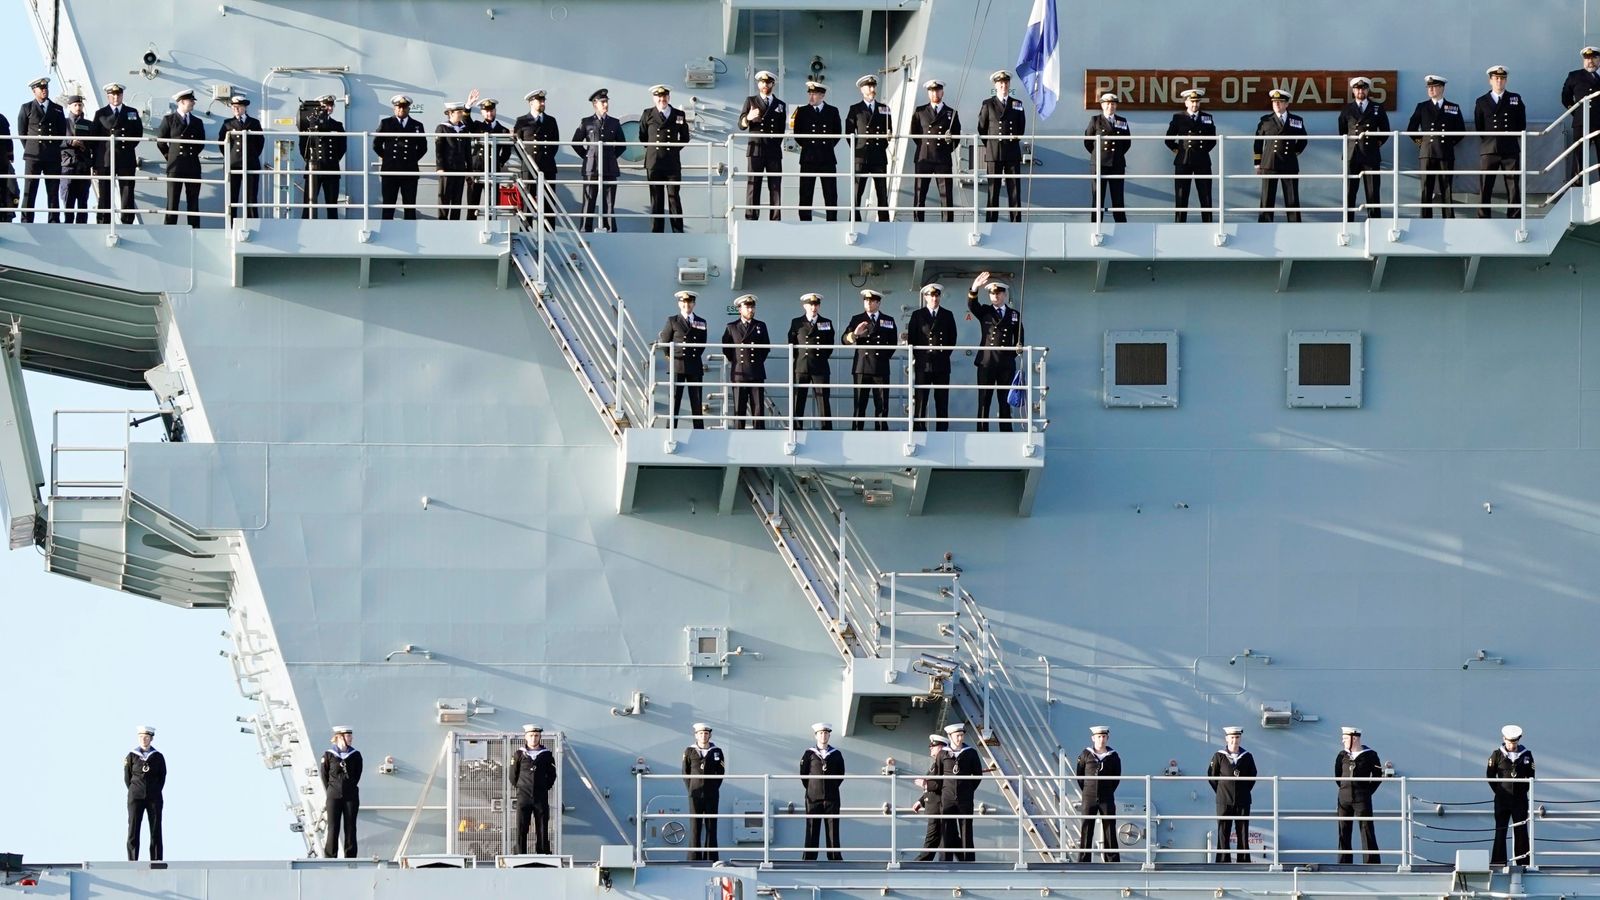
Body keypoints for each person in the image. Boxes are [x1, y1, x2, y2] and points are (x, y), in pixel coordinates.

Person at [966, 272, 1024, 432]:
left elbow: (1019, 338)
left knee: (1004, 400)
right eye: (992, 293)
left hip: (1006, 363)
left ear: (1004, 295)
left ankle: (1006, 430)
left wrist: (1012, 354)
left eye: (998, 293)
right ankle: (982, 431)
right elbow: (972, 306)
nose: (995, 296)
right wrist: (974, 288)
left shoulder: (1014, 315)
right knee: (984, 399)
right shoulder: (985, 311)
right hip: (986, 362)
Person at [1407, 76, 1465, 219]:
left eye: (1434, 86)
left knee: (1446, 187)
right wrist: (1423, 144)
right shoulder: (1422, 107)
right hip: (1427, 152)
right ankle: (1425, 219)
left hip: (1445, 152)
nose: (1431, 89)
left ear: (1442, 88)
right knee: (1426, 188)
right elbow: (1411, 129)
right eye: (1429, 87)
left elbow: (1461, 131)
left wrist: (1449, 144)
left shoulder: (1453, 107)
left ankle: (1449, 218)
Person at [905, 283, 957, 431]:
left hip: (942, 363)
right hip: (923, 363)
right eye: (931, 295)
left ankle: (942, 429)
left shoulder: (947, 315)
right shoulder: (918, 315)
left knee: (942, 399)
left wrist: (942, 355)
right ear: (925, 297)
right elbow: (912, 339)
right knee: (921, 398)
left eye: (937, 295)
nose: (934, 298)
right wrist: (921, 357)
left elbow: (952, 339)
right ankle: (919, 428)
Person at [1475, 66, 1526, 219]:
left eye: (1502, 78)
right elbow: (1480, 126)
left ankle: (1514, 216)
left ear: (1506, 80)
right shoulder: (1482, 101)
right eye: (1496, 78)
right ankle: (1483, 216)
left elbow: (1521, 123)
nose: (1499, 81)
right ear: (1490, 80)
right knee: (1485, 185)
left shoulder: (1515, 98)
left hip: (1510, 148)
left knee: (1513, 185)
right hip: (1489, 148)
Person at [843, 288, 896, 430]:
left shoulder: (888, 320)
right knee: (860, 404)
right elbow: (844, 340)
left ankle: (881, 432)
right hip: (862, 367)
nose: (868, 303)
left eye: (871, 301)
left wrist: (883, 358)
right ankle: (857, 431)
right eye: (866, 300)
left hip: (881, 367)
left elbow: (892, 344)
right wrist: (855, 334)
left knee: (882, 405)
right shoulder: (857, 319)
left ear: (878, 303)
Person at [572, 88, 624, 233]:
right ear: (595, 103)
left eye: (606, 101)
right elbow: (575, 141)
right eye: (602, 102)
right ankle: (585, 229)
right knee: (589, 200)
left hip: (609, 166)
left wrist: (612, 156)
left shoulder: (614, 123)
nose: (605, 104)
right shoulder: (586, 122)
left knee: (608, 202)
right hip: (591, 167)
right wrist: (587, 156)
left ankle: (610, 229)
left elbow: (622, 144)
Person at [977, 70, 1026, 223]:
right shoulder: (988, 104)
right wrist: (991, 144)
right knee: (993, 189)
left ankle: (1016, 221)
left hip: (1011, 151)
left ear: (1009, 85)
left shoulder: (1017, 104)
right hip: (994, 152)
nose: (1004, 85)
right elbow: (982, 128)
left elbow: (1021, 128)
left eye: (1006, 83)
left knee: (1014, 190)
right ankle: (991, 221)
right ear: (996, 85)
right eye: (1001, 83)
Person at [1337, 77, 1390, 219]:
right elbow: (1342, 130)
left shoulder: (1377, 108)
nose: (1361, 91)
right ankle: (1348, 222)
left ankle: (1375, 222)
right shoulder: (1347, 109)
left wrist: (1376, 143)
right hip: (1352, 155)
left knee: (1373, 192)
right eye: (1358, 88)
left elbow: (1385, 130)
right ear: (1353, 91)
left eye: (1363, 88)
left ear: (1367, 90)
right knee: (1349, 192)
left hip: (1370, 155)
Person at [640, 85, 689, 233]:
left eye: (664, 96)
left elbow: (685, 137)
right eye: (659, 97)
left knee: (674, 197)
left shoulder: (679, 114)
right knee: (656, 199)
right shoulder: (647, 114)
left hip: (672, 163)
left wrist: (672, 150)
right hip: (654, 163)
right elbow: (643, 137)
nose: (662, 99)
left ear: (669, 97)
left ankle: (678, 230)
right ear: (654, 98)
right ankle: (657, 231)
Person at [738, 71, 786, 221]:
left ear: (773, 84)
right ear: (758, 84)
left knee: (775, 186)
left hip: (773, 150)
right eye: (762, 82)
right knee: (753, 185)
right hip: (756, 149)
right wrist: (748, 118)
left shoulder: (780, 105)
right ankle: (751, 217)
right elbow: (740, 125)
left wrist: (773, 144)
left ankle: (775, 218)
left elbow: (780, 130)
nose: (765, 85)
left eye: (768, 82)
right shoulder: (751, 101)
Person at [910, 80, 960, 222]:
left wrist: (947, 146)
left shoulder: (951, 113)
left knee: (946, 195)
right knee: (920, 194)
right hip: (923, 158)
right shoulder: (920, 111)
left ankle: (948, 224)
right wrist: (925, 147)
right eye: (932, 91)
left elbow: (956, 137)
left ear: (942, 92)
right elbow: (914, 133)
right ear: (928, 93)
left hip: (942, 158)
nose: (935, 93)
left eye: (937, 90)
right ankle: (918, 223)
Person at [17, 76, 65, 223]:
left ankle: (54, 220)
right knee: (30, 190)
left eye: (46, 88)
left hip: (52, 155)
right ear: (34, 91)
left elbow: (61, 132)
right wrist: (31, 147)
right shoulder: (27, 108)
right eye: (41, 88)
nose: (44, 90)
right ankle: (26, 219)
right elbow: (22, 131)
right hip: (33, 155)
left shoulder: (57, 109)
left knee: (53, 190)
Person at [1255, 89, 1308, 222]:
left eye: (1280, 102)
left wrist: (1293, 152)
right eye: (1274, 102)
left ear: (1286, 104)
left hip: (1289, 163)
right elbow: (1258, 142)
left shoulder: (1296, 120)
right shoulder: (1265, 120)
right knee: (1267, 198)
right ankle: (1264, 225)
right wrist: (1257, 163)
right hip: (1269, 163)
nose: (1277, 104)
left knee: (1292, 198)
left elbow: (1303, 140)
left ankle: (1295, 225)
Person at [845, 75, 892, 222]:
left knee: (882, 192)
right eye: (868, 86)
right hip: (861, 155)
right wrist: (858, 148)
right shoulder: (855, 109)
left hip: (878, 155)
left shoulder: (884, 108)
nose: (872, 89)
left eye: (873, 86)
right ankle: (854, 221)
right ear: (862, 89)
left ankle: (884, 221)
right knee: (857, 192)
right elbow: (849, 133)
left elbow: (888, 131)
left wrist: (881, 146)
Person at [92, 83, 141, 224]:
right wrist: (95, 160)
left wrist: (127, 146)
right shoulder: (101, 113)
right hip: (106, 158)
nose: (116, 97)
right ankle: (104, 220)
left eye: (118, 94)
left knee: (127, 190)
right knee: (105, 191)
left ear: (122, 95)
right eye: (113, 94)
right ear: (108, 96)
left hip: (126, 157)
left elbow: (138, 133)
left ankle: (127, 220)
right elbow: (94, 137)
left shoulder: (131, 112)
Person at [792, 81, 841, 222]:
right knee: (806, 192)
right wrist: (809, 147)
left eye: (814, 94)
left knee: (831, 193)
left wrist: (826, 147)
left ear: (822, 95)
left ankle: (832, 221)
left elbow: (837, 133)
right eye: (810, 93)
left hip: (827, 158)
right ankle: (805, 221)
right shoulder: (802, 111)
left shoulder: (832, 111)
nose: (811, 97)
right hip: (809, 157)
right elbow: (797, 134)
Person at [1166, 88, 1216, 222]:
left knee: (1205, 194)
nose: (1194, 105)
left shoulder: (1207, 117)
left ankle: (1208, 223)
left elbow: (1212, 139)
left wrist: (1203, 150)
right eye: (1192, 102)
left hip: (1202, 160)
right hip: (1184, 160)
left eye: (1197, 102)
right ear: (1186, 103)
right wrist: (1178, 150)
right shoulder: (1178, 117)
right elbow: (1168, 138)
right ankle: (1180, 224)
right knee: (1181, 194)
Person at [1487, 724, 1535, 867]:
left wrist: (1521, 791)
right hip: (1502, 799)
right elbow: (1490, 775)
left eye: (1514, 742)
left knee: (1521, 832)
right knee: (1500, 831)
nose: (1511, 745)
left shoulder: (1526, 755)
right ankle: (1498, 863)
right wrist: (1499, 791)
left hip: (1519, 799)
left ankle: (1523, 863)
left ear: (1518, 740)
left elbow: (1531, 776)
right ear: (1504, 739)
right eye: (1509, 742)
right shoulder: (1497, 755)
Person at [157, 89, 206, 227]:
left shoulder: (197, 122)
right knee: (172, 201)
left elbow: (200, 143)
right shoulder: (169, 120)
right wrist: (170, 156)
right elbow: (160, 142)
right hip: (175, 166)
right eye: (191, 101)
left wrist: (190, 155)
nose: (193, 104)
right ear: (182, 102)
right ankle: (170, 230)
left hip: (192, 165)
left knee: (193, 201)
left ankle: (195, 229)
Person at [1207, 725, 1256, 863]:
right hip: (1223, 799)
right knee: (1223, 830)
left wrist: (1244, 790)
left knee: (1242, 830)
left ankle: (1244, 860)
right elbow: (1212, 776)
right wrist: (1221, 790)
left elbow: (1252, 776)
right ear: (1227, 738)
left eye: (1237, 737)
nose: (1235, 740)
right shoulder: (1219, 756)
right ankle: (1223, 860)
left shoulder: (1247, 756)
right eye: (1232, 737)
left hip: (1243, 799)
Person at [1334, 726, 1382, 865]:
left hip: (1362, 797)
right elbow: (1338, 776)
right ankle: (1344, 863)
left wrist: (1367, 791)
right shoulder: (1342, 755)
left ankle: (1371, 863)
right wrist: (1345, 789)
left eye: (1345, 738)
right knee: (1343, 830)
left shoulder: (1371, 755)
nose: (1343, 741)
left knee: (1366, 828)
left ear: (1354, 738)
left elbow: (1378, 776)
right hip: (1344, 798)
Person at [659, 290, 708, 428]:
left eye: (690, 302)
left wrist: (693, 355)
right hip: (678, 364)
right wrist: (671, 355)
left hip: (694, 364)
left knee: (696, 400)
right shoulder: (672, 320)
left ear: (694, 304)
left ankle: (699, 429)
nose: (687, 305)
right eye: (684, 302)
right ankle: (671, 428)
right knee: (675, 399)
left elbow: (702, 343)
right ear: (679, 304)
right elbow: (665, 340)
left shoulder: (701, 322)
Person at [374, 94, 427, 220]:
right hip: (390, 170)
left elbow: (423, 147)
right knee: (388, 205)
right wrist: (387, 158)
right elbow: (376, 144)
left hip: (409, 171)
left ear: (409, 109)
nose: (401, 110)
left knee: (409, 205)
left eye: (404, 107)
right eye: (398, 107)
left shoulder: (417, 125)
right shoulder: (386, 123)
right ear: (394, 108)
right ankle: (386, 232)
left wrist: (412, 159)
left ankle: (409, 233)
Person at [722, 294, 770, 429]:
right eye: (747, 307)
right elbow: (726, 349)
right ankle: (738, 432)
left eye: (752, 307)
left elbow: (766, 347)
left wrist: (756, 362)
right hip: (739, 372)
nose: (751, 310)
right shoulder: (731, 327)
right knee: (739, 407)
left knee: (758, 407)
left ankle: (759, 432)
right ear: (739, 309)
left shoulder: (760, 326)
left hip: (756, 371)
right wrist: (738, 362)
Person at [788, 292, 834, 429]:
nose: (813, 307)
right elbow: (791, 343)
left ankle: (826, 429)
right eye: (810, 305)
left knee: (823, 399)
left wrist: (819, 357)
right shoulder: (797, 322)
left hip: (820, 366)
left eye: (816, 304)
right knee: (798, 399)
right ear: (805, 306)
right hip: (801, 366)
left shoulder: (826, 323)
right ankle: (796, 428)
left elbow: (829, 345)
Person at [1076, 725, 1121, 862]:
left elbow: (1116, 777)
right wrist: (1088, 790)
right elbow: (1080, 775)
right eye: (1099, 737)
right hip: (1089, 796)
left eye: (1104, 737)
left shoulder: (1113, 756)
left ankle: (1112, 859)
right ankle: (1084, 860)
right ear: (1093, 738)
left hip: (1106, 796)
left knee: (1109, 826)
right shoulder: (1086, 754)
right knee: (1086, 826)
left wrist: (1107, 790)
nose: (1101, 740)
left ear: (1107, 738)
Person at [801, 722, 845, 861]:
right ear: (816, 735)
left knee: (833, 828)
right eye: (820, 733)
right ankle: (809, 858)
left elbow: (840, 774)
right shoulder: (809, 754)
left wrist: (830, 787)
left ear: (829, 735)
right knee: (812, 827)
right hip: (813, 797)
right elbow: (803, 775)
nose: (823, 736)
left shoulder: (836, 754)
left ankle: (834, 857)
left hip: (831, 797)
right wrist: (814, 788)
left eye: (826, 733)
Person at [510, 724, 557, 855]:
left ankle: (543, 853)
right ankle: (520, 854)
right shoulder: (519, 754)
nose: (534, 738)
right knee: (521, 826)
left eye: (536, 736)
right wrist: (521, 787)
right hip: (523, 796)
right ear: (526, 737)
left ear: (540, 737)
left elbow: (552, 774)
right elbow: (513, 775)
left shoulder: (546, 754)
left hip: (540, 796)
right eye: (531, 735)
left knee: (542, 826)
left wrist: (543, 787)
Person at [1084, 92, 1131, 223]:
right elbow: (1088, 141)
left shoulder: (1122, 121)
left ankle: (1122, 225)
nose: (1110, 106)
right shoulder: (1095, 120)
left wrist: (1117, 155)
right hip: (1099, 164)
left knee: (1118, 198)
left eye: (1113, 104)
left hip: (1117, 163)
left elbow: (1127, 142)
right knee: (1098, 197)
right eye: (1108, 104)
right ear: (1102, 105)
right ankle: (1096, 225)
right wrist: (1099, 155)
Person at [513, 89, 560, 218]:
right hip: (529, 167)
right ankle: (527, 232)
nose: (542, 103)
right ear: (531, 103)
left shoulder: (551, 121)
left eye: (543, 100)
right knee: (528, 201)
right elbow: (517, 144)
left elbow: (555, 143)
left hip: (548, 166)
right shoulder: (522, 121)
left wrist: (546, 157)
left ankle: (548, 233)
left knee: (548, 203)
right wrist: (527, 160)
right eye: (539, 101)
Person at [682, 722, 725, 862]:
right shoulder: (689, 751)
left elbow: (720, 772)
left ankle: (711, 858)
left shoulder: (717, 751)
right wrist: (691, 788)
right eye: (701, 733)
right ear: (696, 735)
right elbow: (685, 772)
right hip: (695, 793)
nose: (703, 736)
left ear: (709, 735)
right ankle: (693, 858)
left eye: (706, 733)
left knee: (711, 825)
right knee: (695, 825)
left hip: (712, 793)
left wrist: (713, 787)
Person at [217, 94, 263, 222]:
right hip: (233, 164)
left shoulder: (254, 123)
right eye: (234, 107)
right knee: (232, 197)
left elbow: (260, 142)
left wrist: (251, 156)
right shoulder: (227, 123)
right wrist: (231, 157)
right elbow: (222, 143)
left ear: (244, 108)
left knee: (251, 197)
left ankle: (252, 223)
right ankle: (231, 225)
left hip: (250, 163)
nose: (236, 109)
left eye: (238, 107)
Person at [940, 722, 981, 861]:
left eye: (962, 735)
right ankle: (945, 860)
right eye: (957, 736)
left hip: (965, 798)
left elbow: (977, 775)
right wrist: (945, 791)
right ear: (950, 736)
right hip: (947, 797)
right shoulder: (943, 754)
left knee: (966, 829)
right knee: (947, 830)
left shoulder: (970, 753)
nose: (960, 739)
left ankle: (967, 861)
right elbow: (938, 776)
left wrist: (968, 789)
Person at [125, 725, 167, 861]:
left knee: (155, 830)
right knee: (133, 829)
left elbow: (162, 777)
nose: (144, 740)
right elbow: (127, 777)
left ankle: (156, 861)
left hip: (153, 798)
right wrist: (135, 790)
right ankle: (132, 861)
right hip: (135, 797)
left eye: (147, 737)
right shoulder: (131, 756)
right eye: (141, 737)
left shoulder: (158, 757)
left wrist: (154, 790)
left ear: (151, 739)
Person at [300, 95, 346, 219]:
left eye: (331, 105)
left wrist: (332, 160)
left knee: (332, 203)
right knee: (309, 203)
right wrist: (311, 160)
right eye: (326, 105)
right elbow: (303, 146)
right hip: (313, 168)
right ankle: (307, 226)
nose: (328, 108)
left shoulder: (337, 126)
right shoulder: (309, 124)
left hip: (331, 168)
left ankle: (333, 229)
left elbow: (342, 148)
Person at [466, 97, 511, 221]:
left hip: (493, 171)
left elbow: (506, 151)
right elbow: (466, 122)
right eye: (486, 111)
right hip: (476, 169)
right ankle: (470, 224)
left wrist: (499, 162)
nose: (489, 113)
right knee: (472, 202)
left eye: (491, 110)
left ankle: (492, 225)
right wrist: (468, 106)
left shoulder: (503, 130)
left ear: (495, 111)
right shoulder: (477, 126)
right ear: (481, 112)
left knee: (492, 203)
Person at [320, 725, 362, 858]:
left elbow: (357, 775)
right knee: (333, 827)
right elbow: (324, 775)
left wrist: (348, 787)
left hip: (350, 796)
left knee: (350, 827)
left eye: (351, 736)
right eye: (348, 736)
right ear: (340, 737)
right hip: (333, 796)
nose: (351, 738)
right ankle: (330, 856)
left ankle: (350, 856)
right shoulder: (328, 755)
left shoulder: (355, 755)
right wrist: (333, 789)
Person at [1562, 47, 1600, 175]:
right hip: (1582, 122)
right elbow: (1565, 97)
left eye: (1594, 58)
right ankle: (1578, 187)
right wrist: (1578, 113)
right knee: (1579, 156)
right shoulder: (1574, 76)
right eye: (1587, 58)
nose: (1590, 61)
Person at [58, 94, 94, 224]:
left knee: (83, 200)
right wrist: (69, 142)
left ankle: (82, 225)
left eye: (80, 105)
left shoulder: (89, 125)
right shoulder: (63, 123)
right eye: (75, 105)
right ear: (69, 107)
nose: (78, 107)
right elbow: (56, 142)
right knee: (68, 199)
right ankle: (68, 224)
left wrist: (85, 146)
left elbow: (95, 145)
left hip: (83, 166)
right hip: (68, 166)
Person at [434, 101, 473, 220]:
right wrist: (440, 167)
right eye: (458, 112)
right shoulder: (442, 128)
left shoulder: (463, 129)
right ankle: (442, 222)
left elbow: (467, 152)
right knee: (444, 198)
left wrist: (469, 170)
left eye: (461, 112)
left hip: (460, 169)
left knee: (457, 199)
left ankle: (455, 223)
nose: (461, 114)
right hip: (447, 169)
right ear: (450, 113)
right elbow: (439, 149)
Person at [912, 733, 948, 861]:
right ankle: (961, 858)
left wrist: (925, 783)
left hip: (939, 806)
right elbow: (932, 785)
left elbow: (943, 783)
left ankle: (920, 862)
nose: (930, 748)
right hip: (934, 805)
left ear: (942, 747)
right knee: (942, 836)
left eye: (934, 746)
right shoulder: (935, 765)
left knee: (933, 836)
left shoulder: (944, 764)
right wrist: (921, 801)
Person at [0, 107, 13, 223]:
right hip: (2, 159)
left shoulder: (1, 118)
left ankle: (3, 215)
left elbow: (8, 138)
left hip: (1, 159)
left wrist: (10, 154)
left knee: (2, 187)